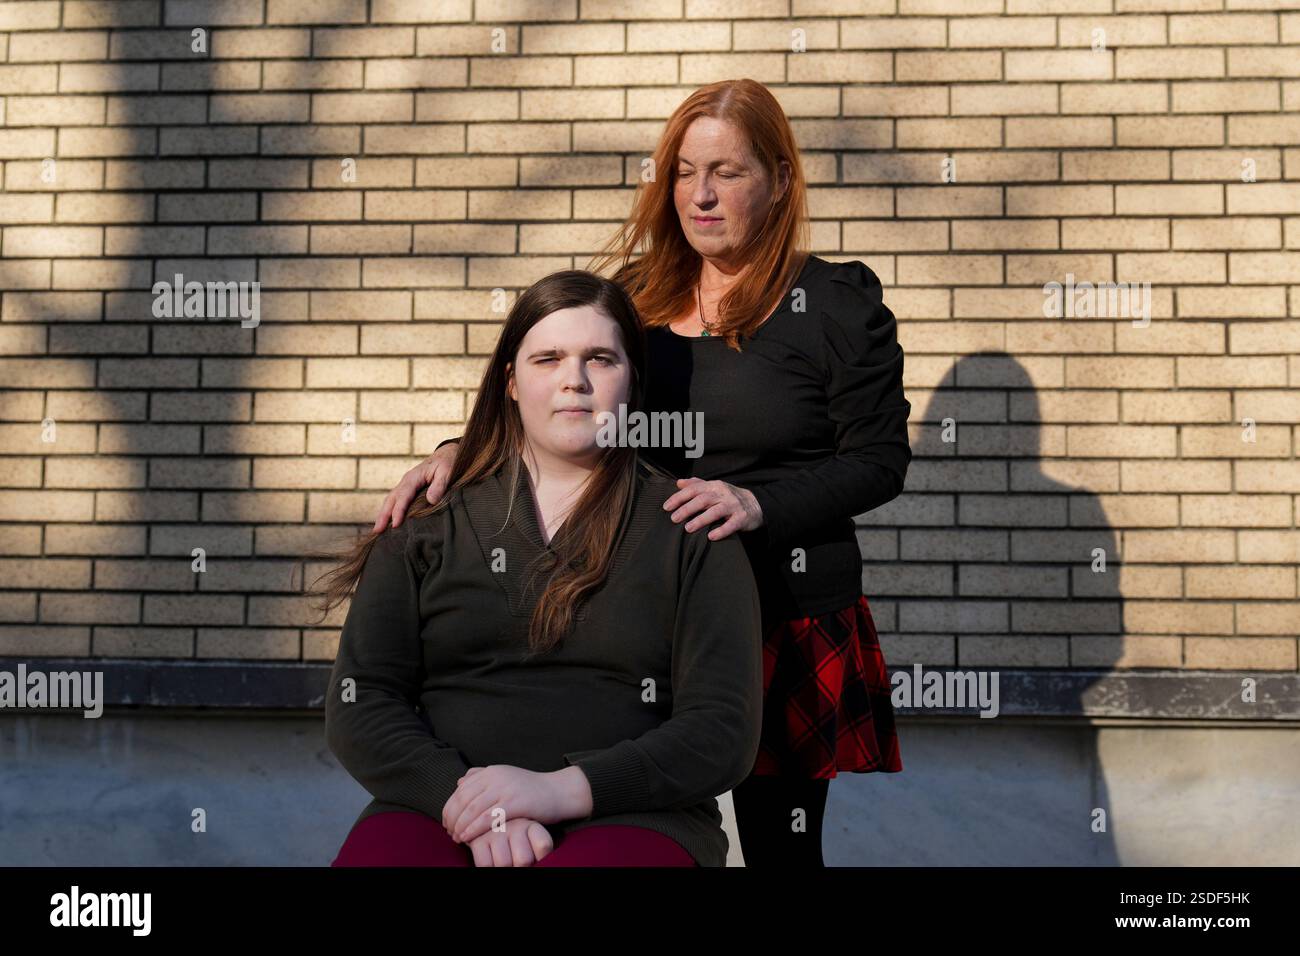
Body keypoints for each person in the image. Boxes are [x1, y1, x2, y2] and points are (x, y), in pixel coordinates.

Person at [374, 79, 912, 868]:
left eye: (727, 172)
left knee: (780, 850)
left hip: (782, 609)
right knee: (622, 817)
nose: (700, 195)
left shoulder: (834, 303)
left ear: (780, 180)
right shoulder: (638, 294)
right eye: (684, 171)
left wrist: (756, 503)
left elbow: (879, 462)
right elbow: (563, 396)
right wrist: (466, 449)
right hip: (642, 599)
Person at [310, 269, 763, 867]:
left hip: (634, 815)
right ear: (512, 383)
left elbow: (722, 731)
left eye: (600, 359)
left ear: (632, 381)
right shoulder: (429, 518)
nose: (573, 380)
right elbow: (360, 700)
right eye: (547, 358)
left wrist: (557, 790)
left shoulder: (693, 526)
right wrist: (471, 803)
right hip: (442, 808)